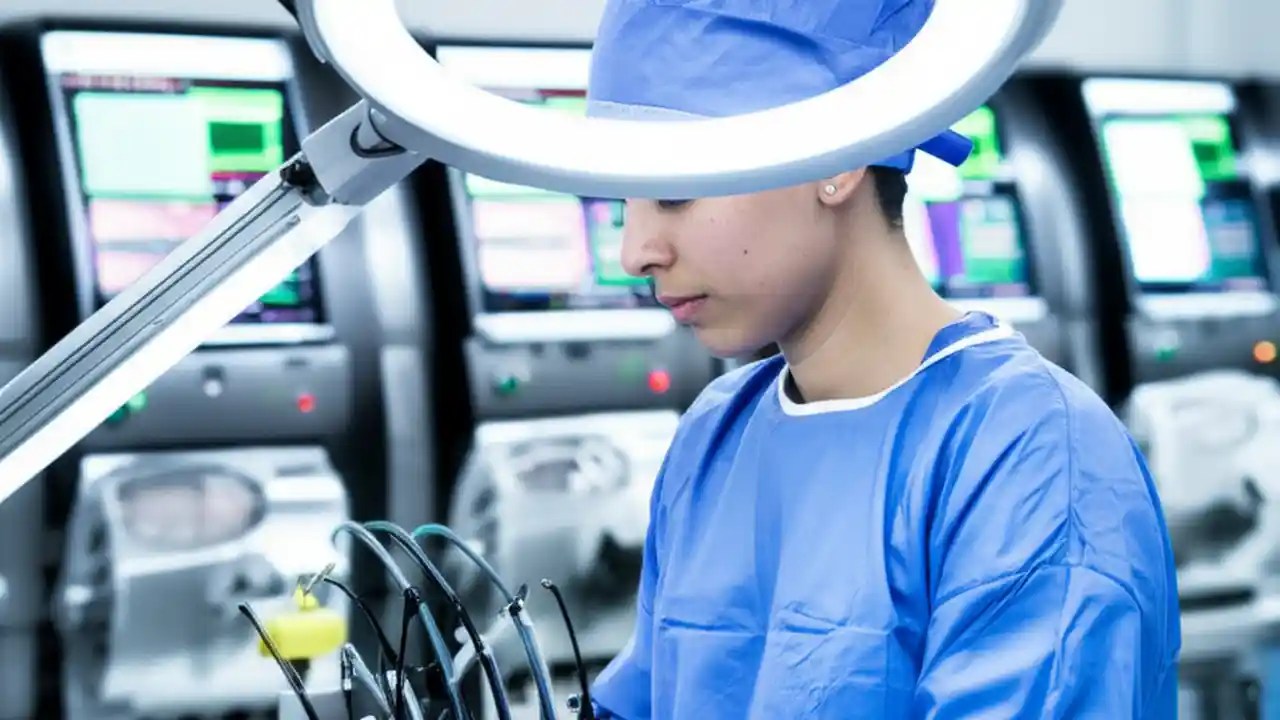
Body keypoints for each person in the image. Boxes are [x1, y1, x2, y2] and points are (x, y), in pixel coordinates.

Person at [583, 1, 1182, 718]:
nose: (635, 251)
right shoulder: (716, 433)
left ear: (834, 159)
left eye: (674, 194)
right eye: (625, 202)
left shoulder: (1028, 450)